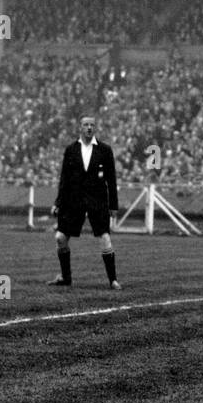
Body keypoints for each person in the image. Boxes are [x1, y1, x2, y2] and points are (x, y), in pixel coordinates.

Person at [50, 115, 120, 289]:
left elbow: (111, 180)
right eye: (86, 125)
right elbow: (64, 179)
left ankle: (113, 280)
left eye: (92, 125)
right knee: (60, 238)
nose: (89, 127)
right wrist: (58, 202)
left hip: (97, 201)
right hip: (73, 201)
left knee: (105, 239)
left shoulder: (104, 150)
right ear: (80, 128)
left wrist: (113, 206)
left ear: (95, 128)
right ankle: (66, 278)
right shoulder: (71, 149)